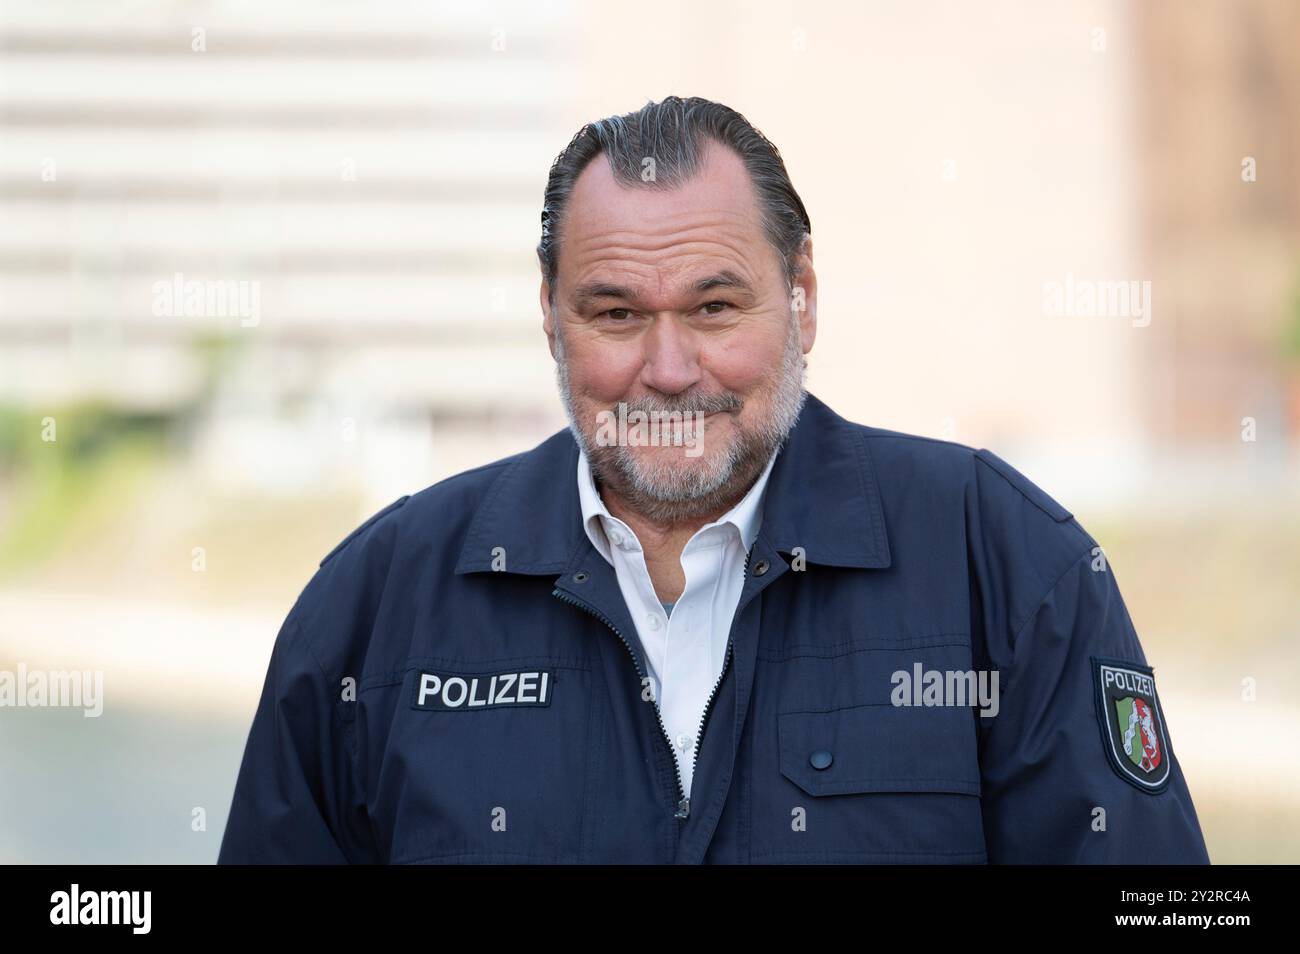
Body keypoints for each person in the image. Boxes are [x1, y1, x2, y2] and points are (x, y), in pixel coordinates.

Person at [217, 96, 1209, 864]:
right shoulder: (376, 600)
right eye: (613, 314)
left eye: (714, 307)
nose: (669, 367)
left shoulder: (1002, 560)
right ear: (550, 318)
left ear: (802, 300)